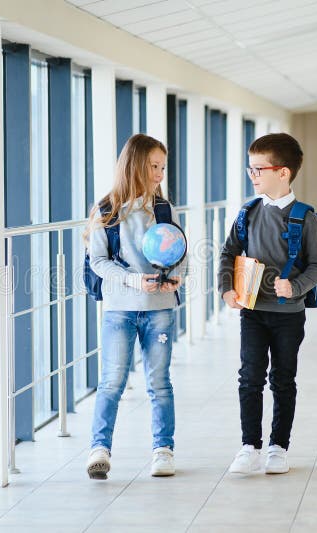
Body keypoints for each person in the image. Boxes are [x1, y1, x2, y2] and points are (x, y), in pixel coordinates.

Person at [218, 133, 317, 474]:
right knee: (249, 378)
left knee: (282, 379)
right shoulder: (248, 213)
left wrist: (294, 286)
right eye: (250, 169)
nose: (252, 175)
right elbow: (228, 254)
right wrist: (226, 290)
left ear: (283, 172)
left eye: (258, 169)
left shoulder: (304, 218)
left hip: (288, 316)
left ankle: (279, 447)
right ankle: (249, 445)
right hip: (252, 312)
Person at [85, 134, 186, 480]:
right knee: (111, 381)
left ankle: (163, 450)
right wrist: (132, 281)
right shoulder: (106, 211)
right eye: (153, 166)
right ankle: (99, 450)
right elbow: (98, 261)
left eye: (162, 167)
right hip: (119, 309)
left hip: (160, 308)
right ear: (135, 166)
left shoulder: (165, 209)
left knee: (159, 382)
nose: (159, 173)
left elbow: (179, 252)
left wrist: (176, 277)